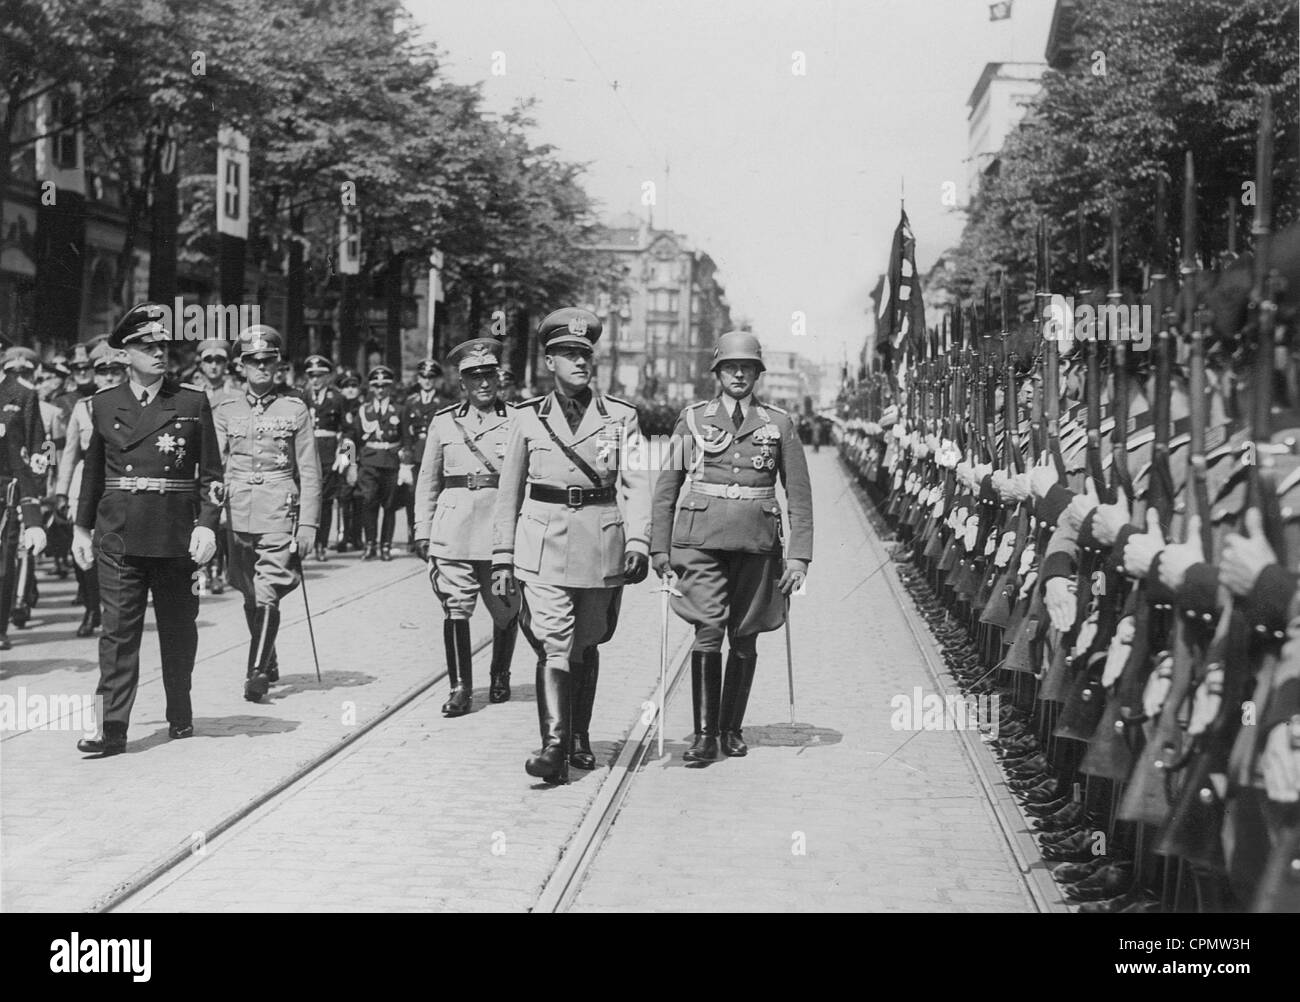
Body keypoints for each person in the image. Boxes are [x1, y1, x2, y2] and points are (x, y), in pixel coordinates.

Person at [491, 307, 651, 784]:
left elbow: (636, 483)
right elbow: (509, 493)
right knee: (554, 644)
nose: (579, 362)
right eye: (567, 354)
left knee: (586, 641)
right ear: (549, 362)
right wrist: (502, 556)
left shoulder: (621, 417)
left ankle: (579, 737)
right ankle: (553, 746)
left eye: (584, 354)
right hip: (541, 542)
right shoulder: (525, 418)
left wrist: (639, 539)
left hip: (601, 543)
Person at [650, 330, 812, 762]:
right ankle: (705, 735)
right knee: (707, 628)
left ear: (758, 373)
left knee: (745, 633)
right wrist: (658, 547)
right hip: (699, 541)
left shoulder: (778, 424)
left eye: (747, 367)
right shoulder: (694, 419)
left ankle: (731, 728)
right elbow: (668, 485)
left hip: (757, 543)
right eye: (730, 367)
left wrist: (798, 556)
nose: (739, 374)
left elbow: (798, 493)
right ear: (718, 372)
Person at [72, 303, 221, 756]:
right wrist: (80, 529)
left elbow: (212, 475)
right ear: (126, 354)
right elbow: (93, 475)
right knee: (116, 635)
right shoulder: (101, 405)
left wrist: (208, 526)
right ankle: (108, 728)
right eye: (147, 346)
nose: (159, 353)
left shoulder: (192, 402)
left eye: (163, 346)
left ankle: (180, 710)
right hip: (118, 532)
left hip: (175, 534)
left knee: (179, 630)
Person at [213, 326, 321, 701]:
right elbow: (215, 466)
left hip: (279, 507)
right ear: (241, 366)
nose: (261, 367)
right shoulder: (225, 409)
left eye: (268, 361)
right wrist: (210, 518)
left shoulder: (294, 408)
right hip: (237, 509)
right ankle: (268, 654)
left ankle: (256, 673)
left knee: (268, 589)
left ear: (278, 365)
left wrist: (308, 523)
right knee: (246, 589)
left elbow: (309, 469)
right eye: (253, 361)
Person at [413, 338, 520, 714]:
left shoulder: (518, 421)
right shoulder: (444, 422)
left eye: (489, 376)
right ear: (463, 383)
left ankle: (501, 673)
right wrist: (422, 529)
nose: (484, 384)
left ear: (499, 379)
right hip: (453, 529)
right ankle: (460, 687)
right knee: (455, 607)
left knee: (506, 609)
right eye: (475, 378)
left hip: (499, 531)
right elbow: (428, 479)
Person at [56, 342, 128, 637]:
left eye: (116, 371)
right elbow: (69, 452)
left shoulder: (134, 408)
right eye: (103, 372)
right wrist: (60, 491)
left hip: (120, 483)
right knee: (82, 549)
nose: (109, 377)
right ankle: (90, 607)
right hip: (84, 485)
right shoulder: (82, 408)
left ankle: (115, 608)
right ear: (93, 376)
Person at [0, 346, 49, 651]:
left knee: (3, 567)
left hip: (6, 496)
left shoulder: (20, 394)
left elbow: (37, 449)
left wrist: (32, 509)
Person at [302, 354, 349, 560]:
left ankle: (321, 544)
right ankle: (305, 543)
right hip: (307, 452)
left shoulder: (338, 399)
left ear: (328, 376)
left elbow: (348, 431)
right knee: (307, 498)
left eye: (319, 375)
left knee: (327, 501)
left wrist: (346, 457)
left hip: (329, 453)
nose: (315, 380)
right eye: (311, 375)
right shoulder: (302, 396)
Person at [357, 364, 403, 560]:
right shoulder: (362, 410)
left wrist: (406, 465)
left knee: (390, 506)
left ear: (390, 387)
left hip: (391, 461)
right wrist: (348, 465)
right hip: (368, 462)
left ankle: (386, 545)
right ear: (371, 388)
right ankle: (370, 544)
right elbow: (350, 438)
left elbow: (406, 441)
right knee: (368, 503)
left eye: (384, 386)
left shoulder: (399, 409)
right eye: (376, 386)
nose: (380, 389)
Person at [401, 359, 445, 553]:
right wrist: (407, 456)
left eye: (431, 377)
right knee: (414, 496)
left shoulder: (445, 402)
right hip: (417, 453)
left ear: (436, 380)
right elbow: (404, 431)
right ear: (418, 379)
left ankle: (437, 534)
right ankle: (414, 534)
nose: (427, 381)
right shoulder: (410, 403)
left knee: (439, 493)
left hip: (439, 453)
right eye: (423, 377)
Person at [334, 368, 364, 551]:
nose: (350, 390)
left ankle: (357, 536)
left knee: (359, 497)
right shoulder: (338, 406)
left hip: (363, 456)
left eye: (354, 385)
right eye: (346, 387)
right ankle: (343, 534)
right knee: (343, 496)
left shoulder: (364, 407)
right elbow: (345, 434)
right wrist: (349, 460)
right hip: (344, 456)